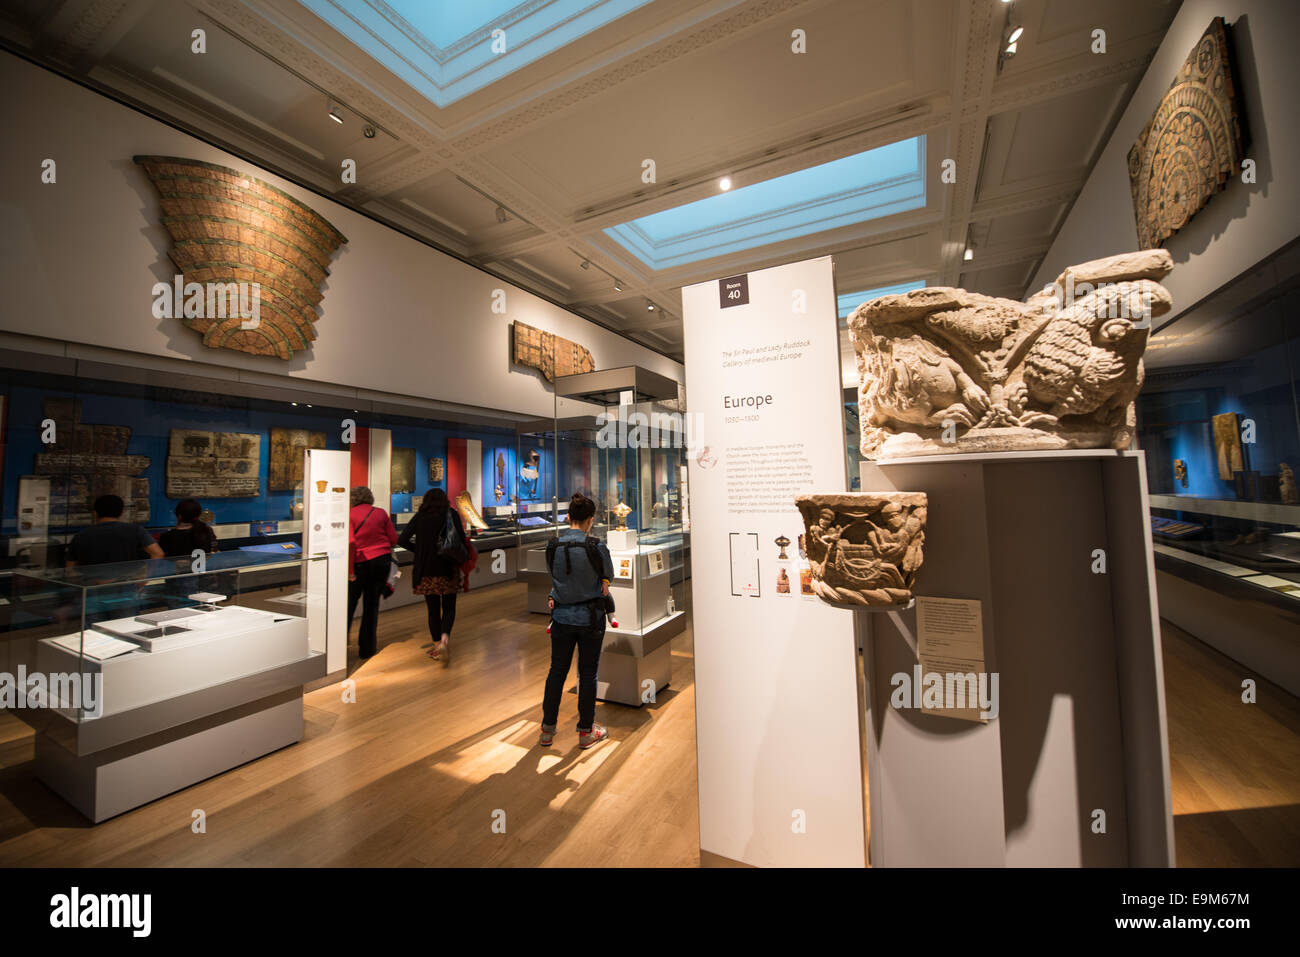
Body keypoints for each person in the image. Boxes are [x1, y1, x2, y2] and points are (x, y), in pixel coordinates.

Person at [539, 492, 613, 750]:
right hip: (591, 619)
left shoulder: (553, 546)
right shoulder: (596, 546)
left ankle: (547, 731)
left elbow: (555, 579)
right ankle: (585, 732)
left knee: (556, 672)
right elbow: (608, 576)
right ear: (590, 520)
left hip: (561, 617)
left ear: (568, 517)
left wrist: (555, 595)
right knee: (588, 673)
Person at [398, 488, 466, 663]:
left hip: (426, 570)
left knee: (433, 609)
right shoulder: (451, 514)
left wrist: (419, 550)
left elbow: (402, 539)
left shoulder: (420, 516)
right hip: (448, 568)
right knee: (449, 607)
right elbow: (461, 539)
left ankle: (437, 645)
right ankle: (445, 637)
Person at [348, 486, 398, 660]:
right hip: (381, 561)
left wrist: (350, 570)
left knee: (349, 604)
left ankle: (338, 646)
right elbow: (393, 539)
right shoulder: (381, 513)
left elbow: (350, 543)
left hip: (359, 563)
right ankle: (367, 648)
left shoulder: (350, 515)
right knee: (371, 605)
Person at [66, 494, 164, 567]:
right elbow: (157, 553)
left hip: (92, 587)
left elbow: (70, 566)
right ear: (121, 512)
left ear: (95, 513)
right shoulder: (136, 530)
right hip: (126, 585)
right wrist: (145, 578)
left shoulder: (81, 535)